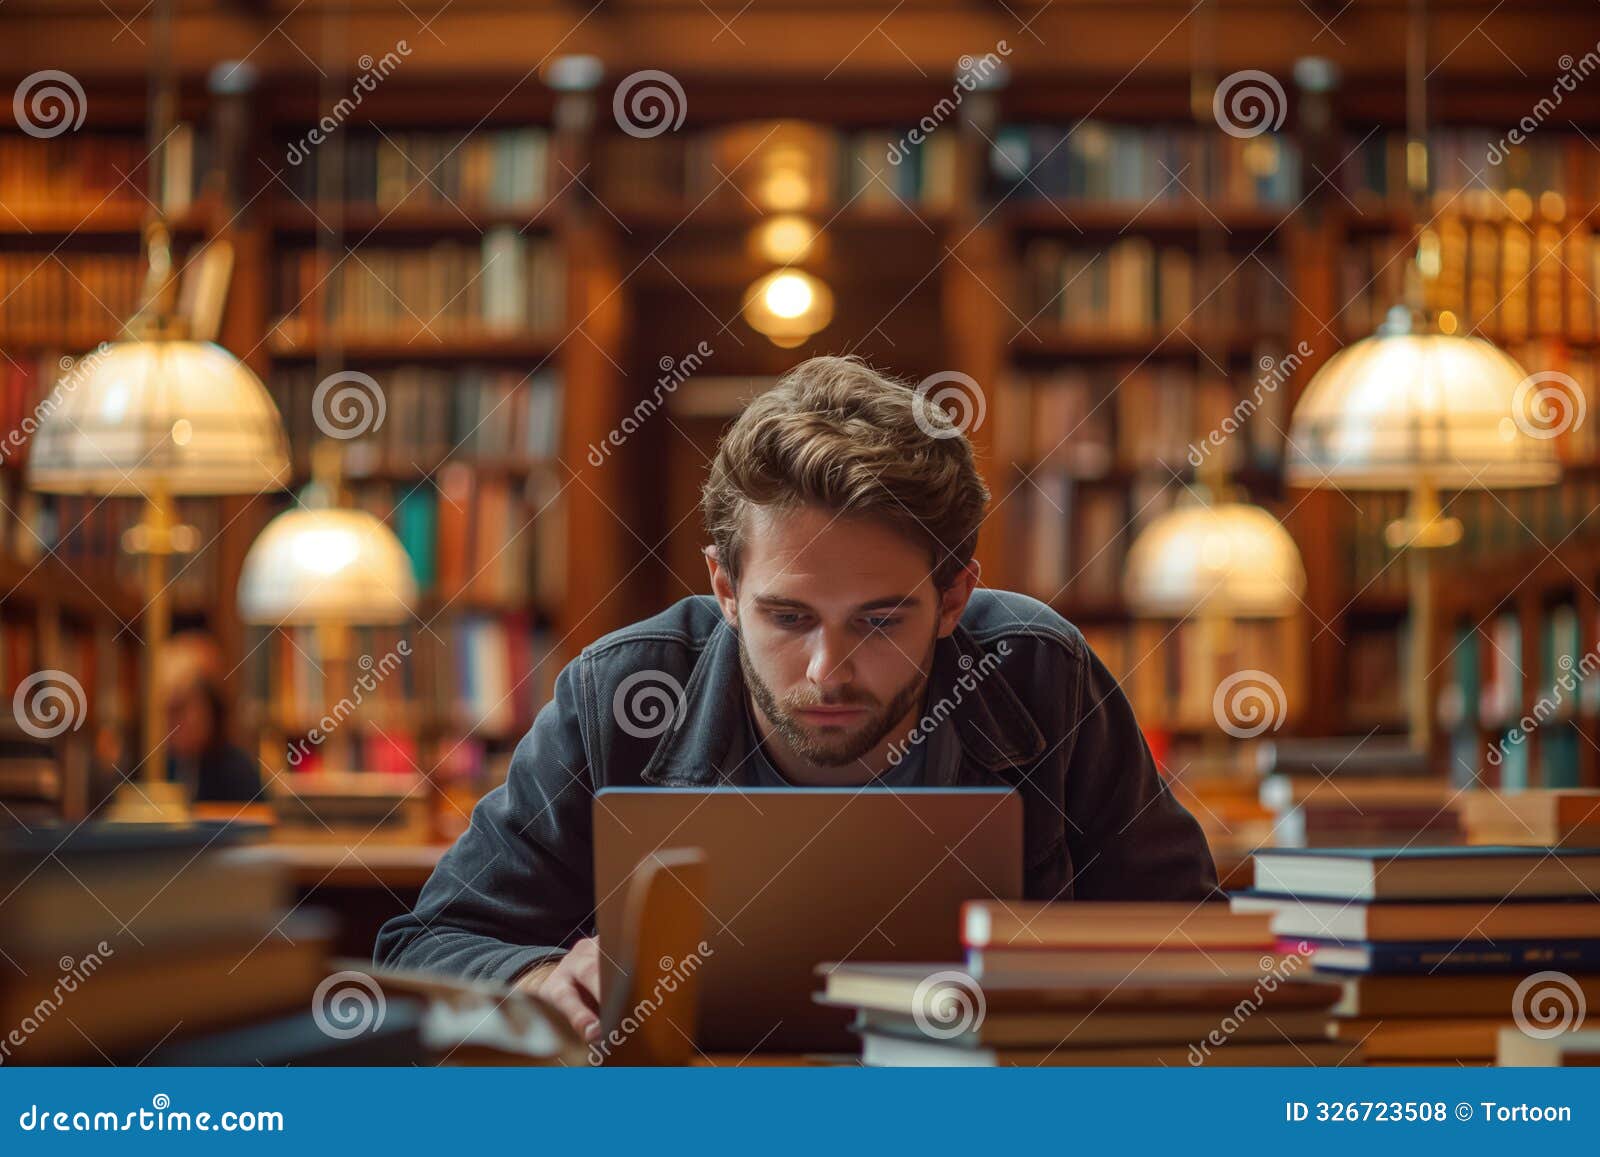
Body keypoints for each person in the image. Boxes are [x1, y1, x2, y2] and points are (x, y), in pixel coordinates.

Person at [374, 355, 1217, 1041]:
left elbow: (1198, 942)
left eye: (880, 620)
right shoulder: (621, 693)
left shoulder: (1041, 676)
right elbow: (425, 944)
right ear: (725, 586)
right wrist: (540, 978)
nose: (826, 671)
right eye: (787, 615)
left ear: (955, 597)